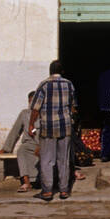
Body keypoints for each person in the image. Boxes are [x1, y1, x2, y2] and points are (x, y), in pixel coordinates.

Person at [29, 60, 76, 201]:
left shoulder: (43, 85)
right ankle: (64, 190)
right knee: (64, 160)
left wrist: (31, 124)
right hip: (65, 127)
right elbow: (74, 106)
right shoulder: (69, 84)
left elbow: (35, 108)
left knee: (47, 160)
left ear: (49, 71)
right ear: (62, 71)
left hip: (48, 127)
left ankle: (47, 191)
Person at [0, 92, 40, 192]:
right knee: (21, 150)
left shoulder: (45, 114)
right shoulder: (24, 114)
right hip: (30, 144)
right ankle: (26, 182)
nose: (32, 104)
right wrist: (6, 149)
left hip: (44, 143)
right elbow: (15, 131)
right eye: (30, 101)